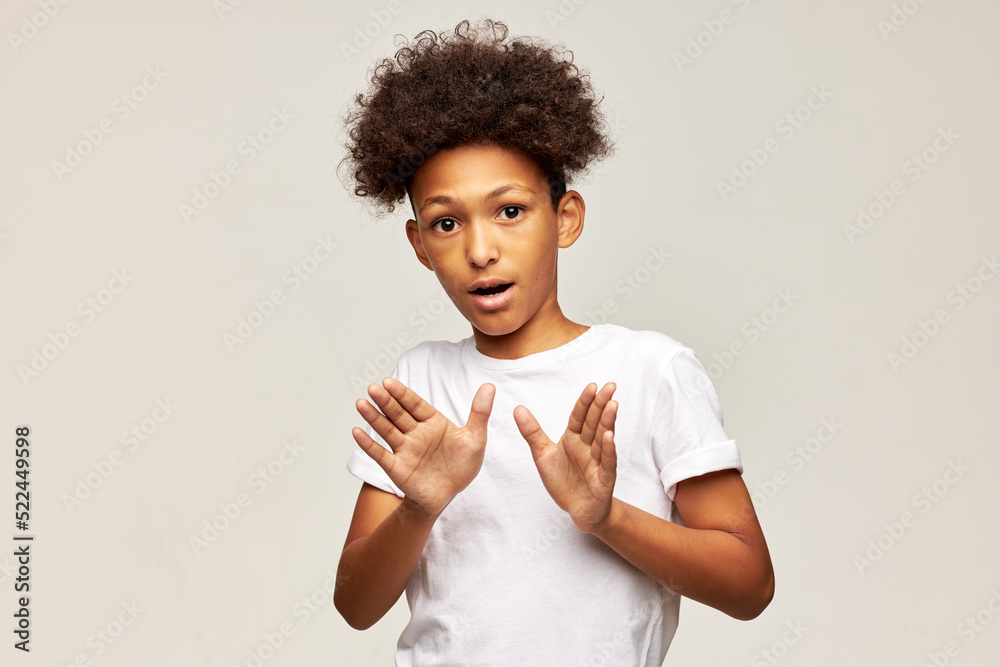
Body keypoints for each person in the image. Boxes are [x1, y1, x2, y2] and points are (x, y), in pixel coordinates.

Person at [334, 17, 774, 666]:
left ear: (564, 219)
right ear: (420, 245)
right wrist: (420, 508)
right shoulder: (422, 381)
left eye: (509, 210)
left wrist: (604, 516)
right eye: (446, 222)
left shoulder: (651, 369)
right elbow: (356, 603)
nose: (480, 250)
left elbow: (749, 584)